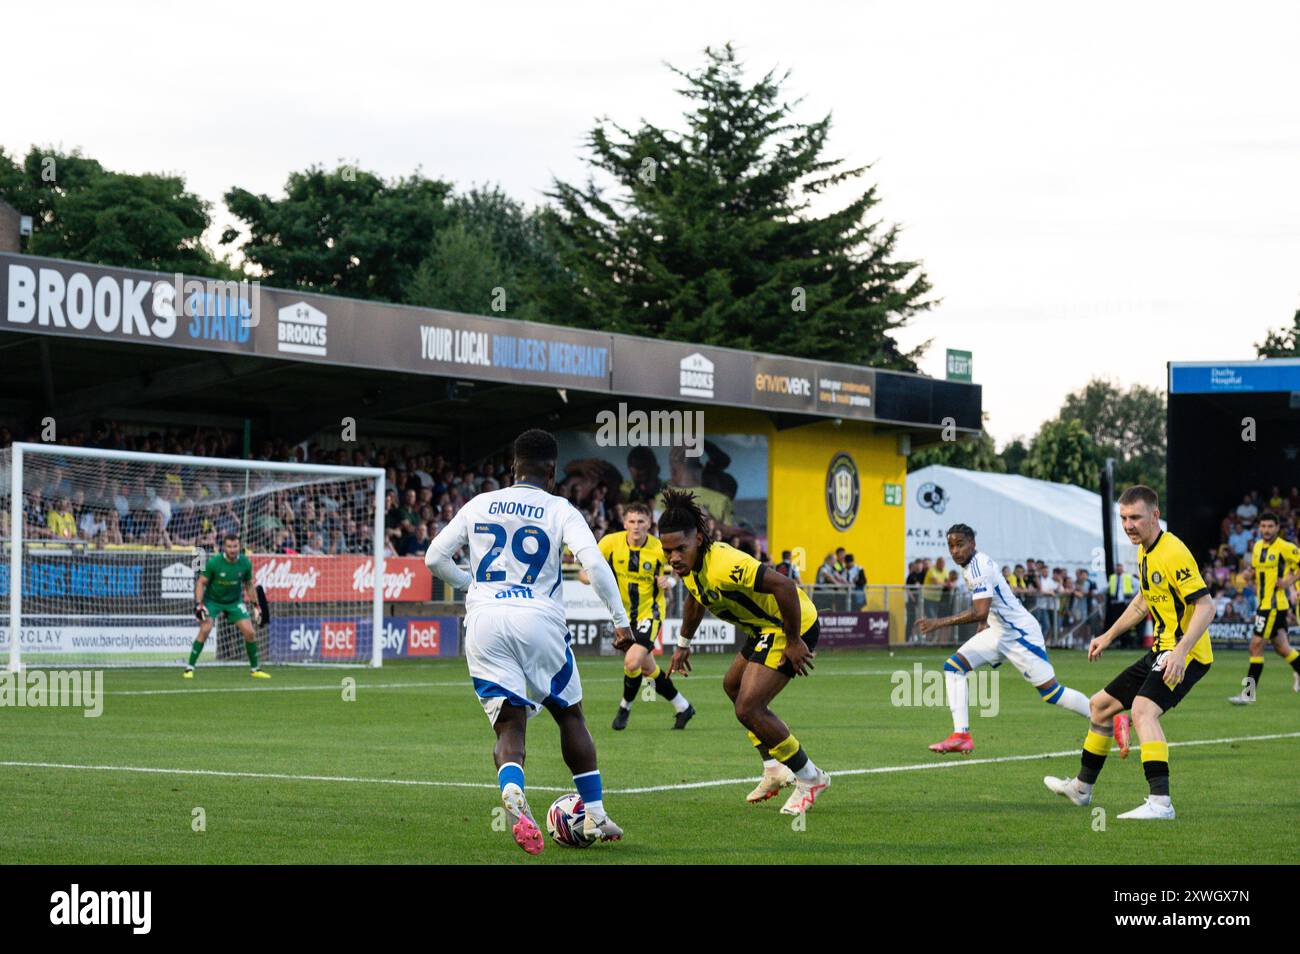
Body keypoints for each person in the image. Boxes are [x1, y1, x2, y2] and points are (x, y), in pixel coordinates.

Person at [423, 429, 630, 854]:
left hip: (484, 621)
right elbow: (592, 561)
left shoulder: (479, 503)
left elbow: (433, 558)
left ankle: (514, 788)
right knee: (569, 714)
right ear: (552, 472)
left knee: (509, 723)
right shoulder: (560, 508)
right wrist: (620, 620)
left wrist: (471, 584)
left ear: (513, 468)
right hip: (538, 618)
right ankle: (595, 812)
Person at [1044, 485, 1215, 820]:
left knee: (1142, 711)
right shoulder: (1145, 551)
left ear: (1155, 515)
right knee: (1100, 707)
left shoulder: (1173, 552)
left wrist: (1180, 652)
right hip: (1163, 649)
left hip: (1187, 654)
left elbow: (1206, 607)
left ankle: (1161, 803)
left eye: (1135, 517)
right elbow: (1142, 603)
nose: (1128, 525)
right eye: (1123, 517)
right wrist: (1107, 635)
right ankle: (1081, 789)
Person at [662, 490, 829, 816]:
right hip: (764, 628)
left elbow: (783, 585)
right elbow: (696, 599)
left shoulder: (725, 564)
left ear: (698, 538)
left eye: (680, 549)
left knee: (749, 707)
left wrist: (794, 640)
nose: (674, 557)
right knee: (733, 686)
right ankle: (774, 768)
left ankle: (810, 778)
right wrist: (683, 644)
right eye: (667, 551)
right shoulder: (691, 566)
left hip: (790, 625)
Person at [916, 524, 1091, 753]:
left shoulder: (977, 566)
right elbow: (992, 599)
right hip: (999, 633)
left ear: (973, 544)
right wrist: (983, 623)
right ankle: (961, 735)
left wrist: (939, 623)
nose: (955, 551)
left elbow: (980, 610)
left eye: (960, 544)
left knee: (1051, 693)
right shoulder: (973, 564)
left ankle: (1106, 716)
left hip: (1020, 635)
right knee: (954, 667)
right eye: (951, 546)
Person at [579, 502, 693, 731]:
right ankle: (683, 707)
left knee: (632, 662)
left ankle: (624, 708)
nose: (636, 526)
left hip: (650, 612)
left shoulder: (660, 546)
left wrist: (670, 580)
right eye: (632, 521)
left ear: (649, 524)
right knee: (648, 668)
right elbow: (584, 570)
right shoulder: (611, 542)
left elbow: (682, 567)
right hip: (623, 618)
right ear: (624, 523)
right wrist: (590, 577)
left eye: (641, 522)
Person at [1228, 511, 1300, 704]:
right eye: (1263, 526)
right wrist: (1248, 575)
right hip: (1264, 605)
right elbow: (1255, 570)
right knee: (1282, 648)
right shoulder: (1258, 546)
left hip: (1273, 606)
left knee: (1255, 646)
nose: (1266, 530)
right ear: (1259, 527)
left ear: (1277, 528)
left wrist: (1288, 582)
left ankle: (1248, 694)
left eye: (1270, 526)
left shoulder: (1286, 547)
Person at [186, 532, 266, 679]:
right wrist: (199, 605)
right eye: (229, 546)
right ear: (224, 547)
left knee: (250, 632)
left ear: (239, 546)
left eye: (235, 546)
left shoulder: (245, 563)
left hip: (234, 602)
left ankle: (255, 670)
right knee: (206, 628)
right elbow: (200, 583)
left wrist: (256, 606)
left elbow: (249, 585)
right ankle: (189, 668)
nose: (233, 550)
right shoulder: (214, 562)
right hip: (212, 601)